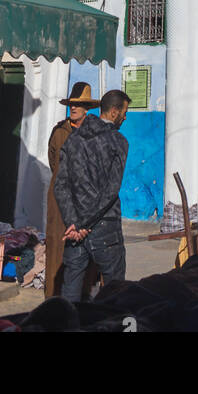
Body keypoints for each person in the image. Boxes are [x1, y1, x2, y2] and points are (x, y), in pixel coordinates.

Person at [54, 89, 130, 304]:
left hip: (75, 228)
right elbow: (110, 191)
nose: (125, 117)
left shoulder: (72, 140)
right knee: (115, 291)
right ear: (114, 112)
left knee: (70, 290)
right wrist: (84, 224)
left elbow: (60, 186)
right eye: (124, 112)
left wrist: (73, 223)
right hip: (104, 227)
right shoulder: (118, 141)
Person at [45, 82, 99, 298]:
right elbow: (52, 161)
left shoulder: (95, 133)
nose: (73, 108)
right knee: (57, 249)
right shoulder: (59, 132)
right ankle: (53, 301)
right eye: (71, 105)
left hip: (87, 201)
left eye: (78, 105)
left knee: (87, 250)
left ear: (87, 107)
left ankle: (84, 300)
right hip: (59, 201)